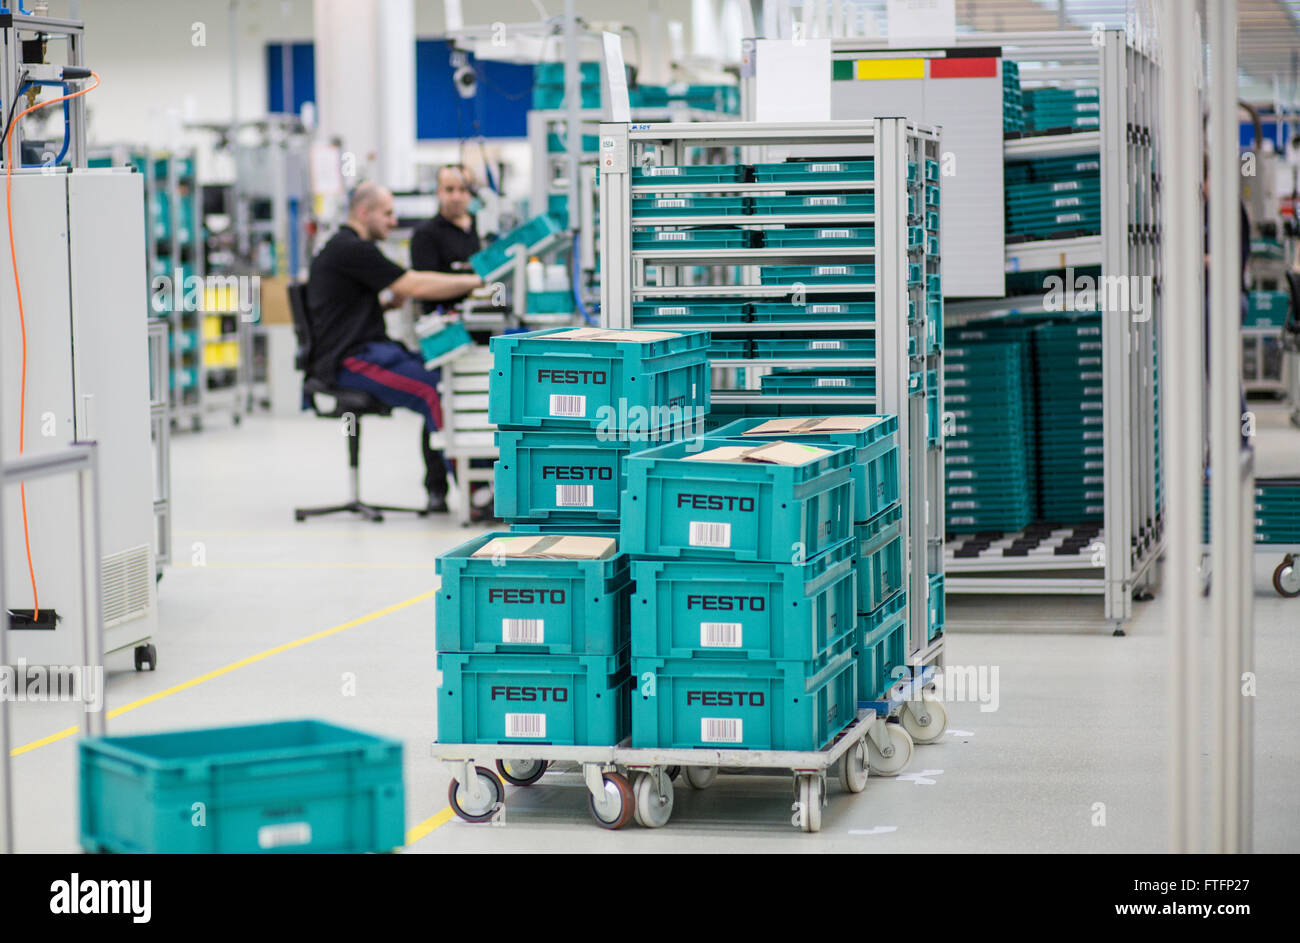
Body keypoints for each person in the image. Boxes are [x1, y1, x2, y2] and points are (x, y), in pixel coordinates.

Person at [306, 180, 482, 513]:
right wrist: (480, 279)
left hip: (370, 350)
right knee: (435, 390)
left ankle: (447, 489)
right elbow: (414, 283)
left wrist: (387, 303)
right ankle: (476, 495)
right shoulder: (352, 249)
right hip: (351, 361)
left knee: (442, 374)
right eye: (387, 214)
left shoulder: (345, 248)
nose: (393, 221)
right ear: (363, 212)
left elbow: (347, 306)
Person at [410, 164, 482, 314]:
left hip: (487, 321)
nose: (456, 197)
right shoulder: (425, 234)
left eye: (463, 189)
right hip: (444, 325)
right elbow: (423, 286)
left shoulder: (484, 228)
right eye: (449, 189)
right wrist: (479, 281)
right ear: (438, 192)